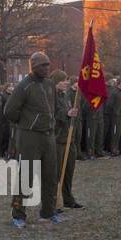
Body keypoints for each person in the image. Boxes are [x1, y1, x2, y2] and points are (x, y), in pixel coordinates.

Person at [5, 51, 60, 228]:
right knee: (26, 176)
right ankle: (18, 214)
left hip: (48, 136)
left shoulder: (50, 85)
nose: (47, 68)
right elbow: (9, 111)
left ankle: (48, 212)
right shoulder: (24, 86)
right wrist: (28, 122)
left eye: (48, 65)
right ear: (34, 66)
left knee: (51, 176)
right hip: (29, 137)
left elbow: (55, 108)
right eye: (43, 65)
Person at [52, 71, 83, 213]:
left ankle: (68, 199)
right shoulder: (50, 96)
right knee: (56, 173)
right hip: (57, 140)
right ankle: (54, 201)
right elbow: (52, 113)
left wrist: (71, 113)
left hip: (69, 139)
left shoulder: (65, 96)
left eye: (66, 80)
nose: (66, 82)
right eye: (62, 80)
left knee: (69, 172)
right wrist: (66, 114)